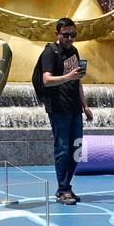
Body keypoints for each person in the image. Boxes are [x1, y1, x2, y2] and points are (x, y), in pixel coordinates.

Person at [39, 16, 94, 204]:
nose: (70, 38)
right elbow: (46, 80)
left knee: (77, 148)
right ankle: (63, 190)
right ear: (57, 34)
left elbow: (76, 81)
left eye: (73, 35)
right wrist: (68, 75)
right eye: (66, 35)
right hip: (58, 108)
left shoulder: (74, 51)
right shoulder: (50, 52)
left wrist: (85, 106)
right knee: (62, 149)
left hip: (74, 107)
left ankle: (66, 186)